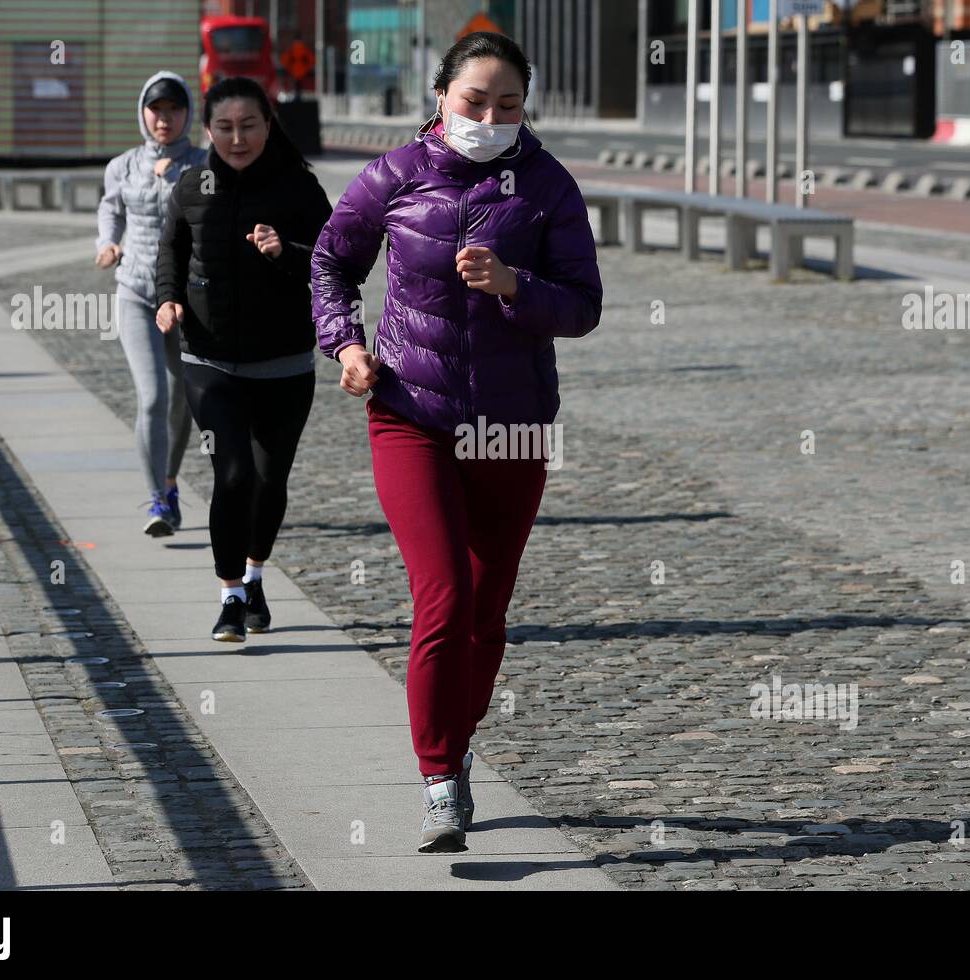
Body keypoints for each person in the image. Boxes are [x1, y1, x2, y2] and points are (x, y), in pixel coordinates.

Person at [311, 32, 602, 853]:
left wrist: (517, 287)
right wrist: (348, 345)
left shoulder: (546, 186)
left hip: (510, 426)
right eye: (475, 100)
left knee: (486, 609)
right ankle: (441, 779)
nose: (490, 117)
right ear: (442, 95)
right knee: (441, 595)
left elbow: (583, 305)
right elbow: (332, 262)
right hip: (413, 412)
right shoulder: (394, 177)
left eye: (508, 105)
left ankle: (455, 737)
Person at [155, 77, 332, 643]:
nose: (237, 138)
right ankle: (230, 596)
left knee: (268, 477)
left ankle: (256, 574)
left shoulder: (299, 188)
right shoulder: (192, 185)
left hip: (284, 363)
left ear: (268, 124)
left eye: (249, 125)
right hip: (209, 359)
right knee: (231, 474)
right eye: (225, 127)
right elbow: (172, 249)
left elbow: (335, 265)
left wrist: (286, 253)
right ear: (208, 129)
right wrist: (169, 297)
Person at [96, 72, 206, 537]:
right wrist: (108, 242)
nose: (164, 119)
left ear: (187, 115)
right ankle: (157, 501)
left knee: (182, 402)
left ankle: (169, 479)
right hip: (137, 294)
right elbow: (110, 207)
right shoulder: (122, 166)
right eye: (156, 110)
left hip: (184, 300)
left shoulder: (204, 164)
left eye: (174, 110)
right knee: (153, 397)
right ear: (143, 113)